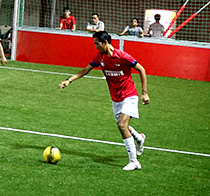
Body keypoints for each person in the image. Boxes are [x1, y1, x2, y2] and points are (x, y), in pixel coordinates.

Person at [59, 31, 150, 171]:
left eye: (97, 43)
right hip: (116, 98)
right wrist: (69, 80)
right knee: (123, 126)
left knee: (121, 125)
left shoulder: (122, 56)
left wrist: (144, 93)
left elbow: (141, 69)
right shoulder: (100, 57)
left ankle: (134, 162)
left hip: (129, 95)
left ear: (105, 43)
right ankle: (139, 138)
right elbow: (85, 70)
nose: (95, 46)